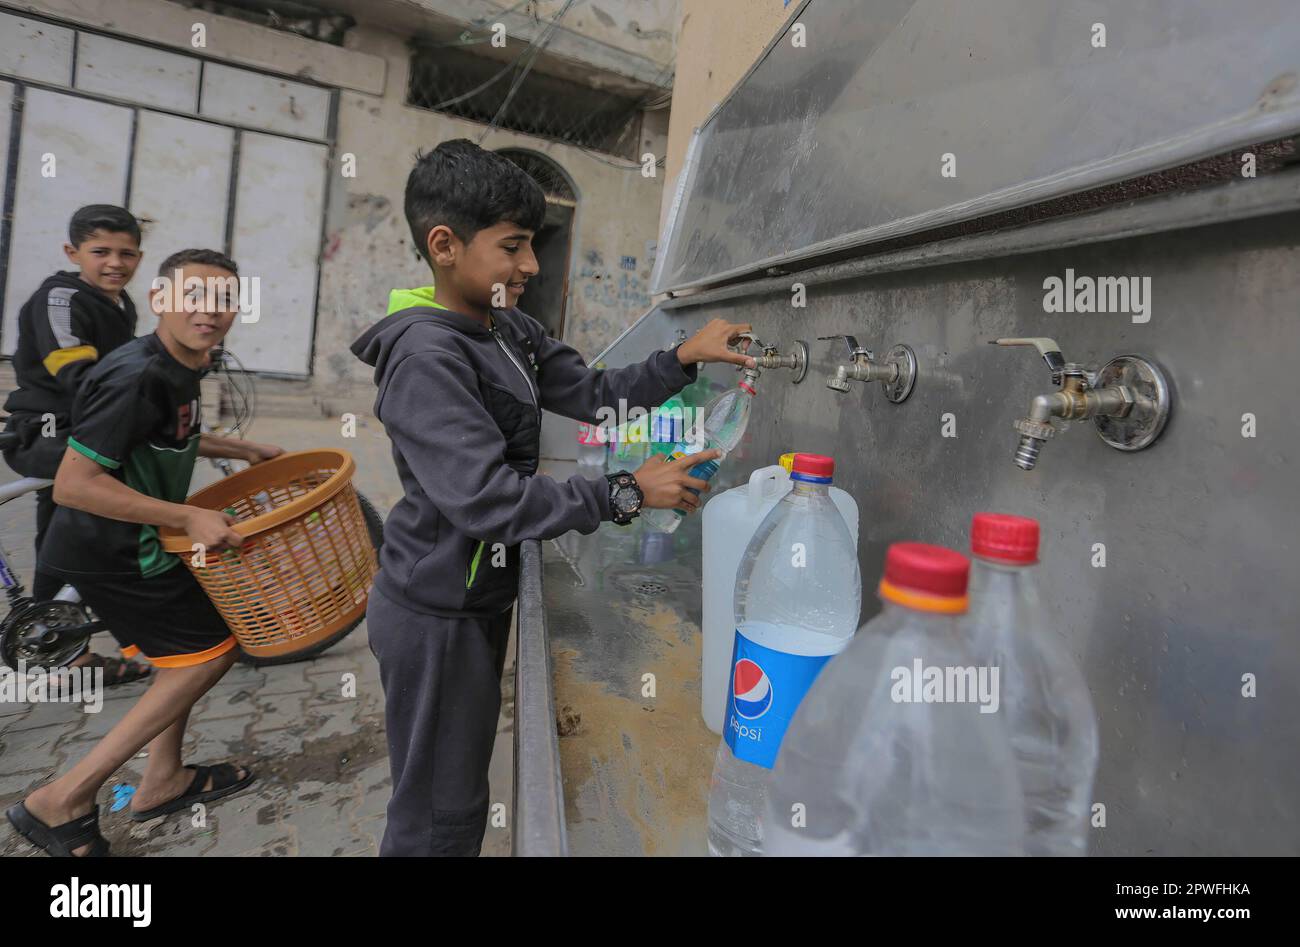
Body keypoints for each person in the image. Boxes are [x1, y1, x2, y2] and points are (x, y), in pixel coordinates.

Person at [351, 138, 754, 856]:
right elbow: (487, 500)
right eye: (513, 247)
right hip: (436, 609)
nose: (531, 266)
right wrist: (626, 490)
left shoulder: (508, 326)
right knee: (439, 817)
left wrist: (683, 356)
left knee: (457, 792)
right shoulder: (426, 357)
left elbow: (594, 395)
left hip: (477, 597)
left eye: (531, 245)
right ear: (445, 244)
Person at [5, 249, 282, 856]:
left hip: (131, 544)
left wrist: (244, 449)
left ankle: (162, 779)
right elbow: (76, 483)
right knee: (207, 655)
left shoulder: (181, 365)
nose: (209, 312)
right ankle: (62, 800)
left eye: (224, 300)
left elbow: (163, 430)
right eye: (193, 296)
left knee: (184, 649)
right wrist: (187, 514)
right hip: (113, 548)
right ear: (160, 300)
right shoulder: (136, 374)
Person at [2, 205, 152, 685]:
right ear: (73, 252)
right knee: (101, 510)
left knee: (68, 522)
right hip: (46, 428)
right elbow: (76, 373)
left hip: (85, 427)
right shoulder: (62, 299)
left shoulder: (120, 304)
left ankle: (59, 636)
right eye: (101, 252)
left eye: (126, 253)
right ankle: (65, 638)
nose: (115, 263)